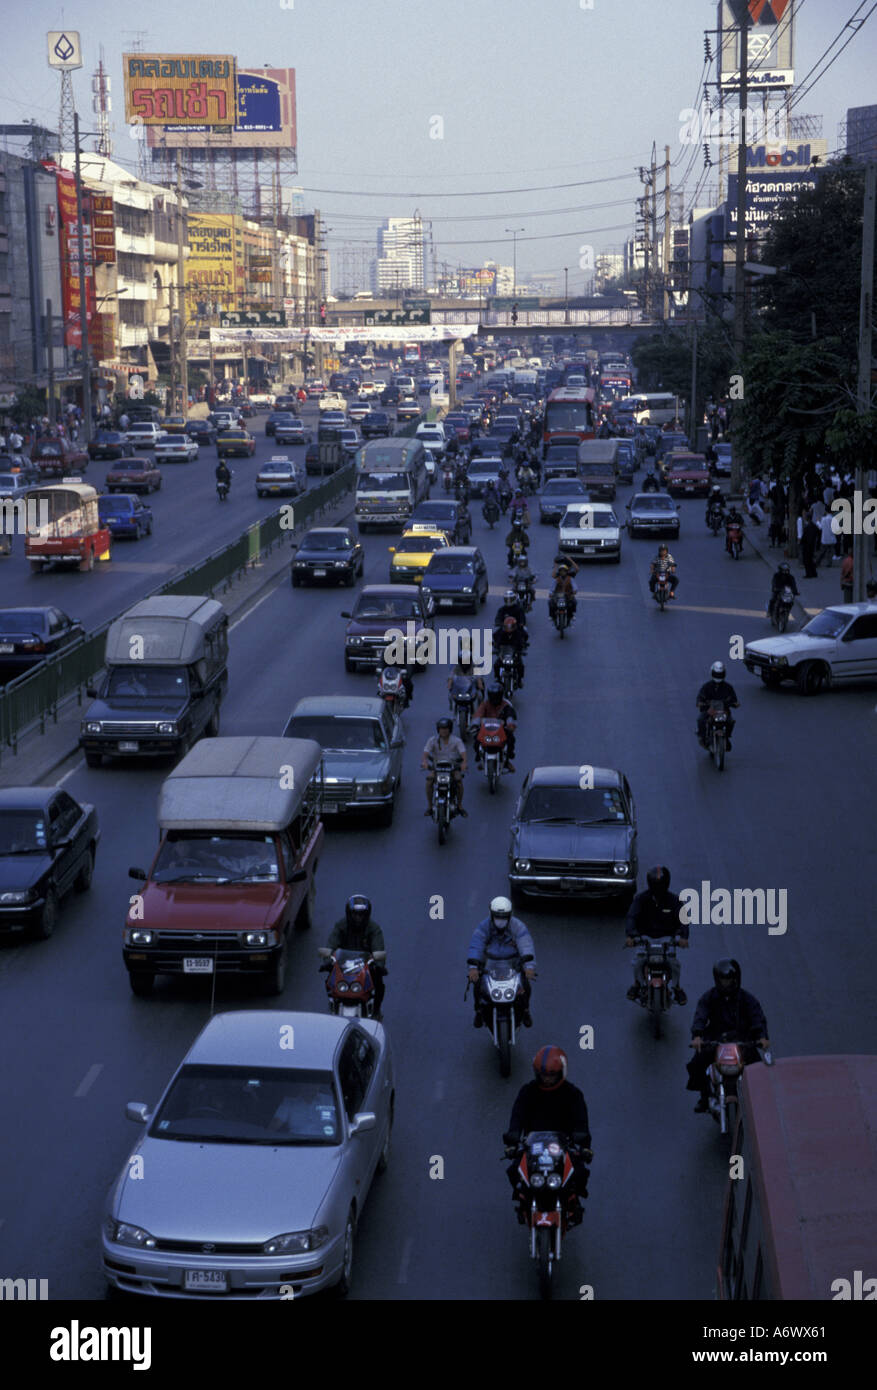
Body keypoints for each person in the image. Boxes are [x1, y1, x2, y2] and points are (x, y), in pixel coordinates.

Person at [503, 1048, 592, 1209]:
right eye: (544, 1075)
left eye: (552, 1075)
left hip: (564, 1146)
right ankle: (524, 1200)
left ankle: (572, 1201)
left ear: (561, 1073)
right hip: (533, 1146)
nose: (547, 1079)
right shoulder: (527, 1092)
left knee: (580, 1174)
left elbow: (581, 1121)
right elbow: (517, 1116)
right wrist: (512, 1139)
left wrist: (584, 1145)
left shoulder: (573, 1094)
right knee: (514, 1172)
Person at [686, 960, 770, 1112]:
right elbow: (701, 1015)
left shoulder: (747, 999)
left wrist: (762, 1037)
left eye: (729, 980)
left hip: (742, 1040)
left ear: (736, 979)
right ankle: (704, 1097)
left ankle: (757, 1099)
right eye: (723, 980)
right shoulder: (709, 997)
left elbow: (757, 1017)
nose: (726, 984)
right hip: (716, 1040)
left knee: (759, 1070)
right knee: (697, 1063)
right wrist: (697, 1035)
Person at [467, 896, 535, 1027]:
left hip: (512, 963)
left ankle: (526, 1010)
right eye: (498, 917)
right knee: (477, 985)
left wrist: (529, 967)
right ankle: (478, 1011)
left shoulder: (518, 927)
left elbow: (526, 945)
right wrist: (473, 968)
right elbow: (476, 945)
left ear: (510, 916)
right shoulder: (484, 927)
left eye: (504, 917)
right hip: (490, 963)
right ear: (491, 915)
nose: (500, 920)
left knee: (525, 986)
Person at [624, 866, 689, 1004]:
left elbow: (684, 919)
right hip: (645, 938)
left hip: (667, 939)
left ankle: (676, 987)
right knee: (637, 962)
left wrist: (683, 937)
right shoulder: (641, 899)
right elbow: (631, 917)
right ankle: (637, 984)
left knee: (674, 963)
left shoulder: (674, 900)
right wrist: (630, 935)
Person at [323, 894, 387, 1019]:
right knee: (328, 981)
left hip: (366, 967)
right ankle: (333, 1005)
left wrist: (378, 965)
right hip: (343, 965)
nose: (358, 918)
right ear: (349, 913)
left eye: (361, 914)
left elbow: (378, 947)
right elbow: (331, 944)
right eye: (355, 914)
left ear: (367, 914)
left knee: (379, 983)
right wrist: (327, 960)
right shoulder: (341, 926)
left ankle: (376, 1011)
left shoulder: (374, 929)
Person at [421, 716, 468, 816]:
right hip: (437, 768)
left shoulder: (456, 741)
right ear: (438, 730)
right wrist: (424, 762)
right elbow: (426, 752)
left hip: (452, 768)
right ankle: (430, 806)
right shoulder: (432, 740)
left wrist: (464, 763)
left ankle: (459, 805)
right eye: (441, 729)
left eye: (446, 729)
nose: (444, 731)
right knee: (429, 782)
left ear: (450, 729)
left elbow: (463, 752)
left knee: (459, 781)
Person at [473, 683, 518, 771]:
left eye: (496, 696)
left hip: (502, 730)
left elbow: (510, 716)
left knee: (511, 739)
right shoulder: (485, 704)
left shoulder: (506, 705)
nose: (494, 698)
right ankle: (480, 757)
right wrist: (475, 724)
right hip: (486, 729)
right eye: (493, 696)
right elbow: (479, 714)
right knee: (476, 739)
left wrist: (510, 725)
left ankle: (507, 761)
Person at [696, 660, 740, 750]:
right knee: (701, 720)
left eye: (720, 674)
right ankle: (703, 739)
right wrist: (704, 706)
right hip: (709, 710)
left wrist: (734, 704)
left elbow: (734, 699)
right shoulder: (706, 687)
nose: (718, 676)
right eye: (716, 674)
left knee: (731, 721)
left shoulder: (728, 687)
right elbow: (700, 698)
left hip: (724, 711)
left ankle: (727, 738)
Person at [494, 613, 527, 685]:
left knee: (520, 665)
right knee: (496, 665)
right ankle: (497, 678)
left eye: (510, 627)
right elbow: (497, 641)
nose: (509, 629)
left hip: (514, 654)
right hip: (504, 654)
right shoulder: (501, 633)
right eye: (507, 627)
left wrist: (522, 650)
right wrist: (496, 649)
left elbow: (521, 642)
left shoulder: (518, 633)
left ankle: (519, 679)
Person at [800, 509, 819, 577]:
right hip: (812, 545)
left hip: (807, 546)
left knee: (807, 561)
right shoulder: (814, 526)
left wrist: (801, 543)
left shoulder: (807, 527)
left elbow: (804, 537)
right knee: (810, 560)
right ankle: (813, 572)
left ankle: (809, 573)